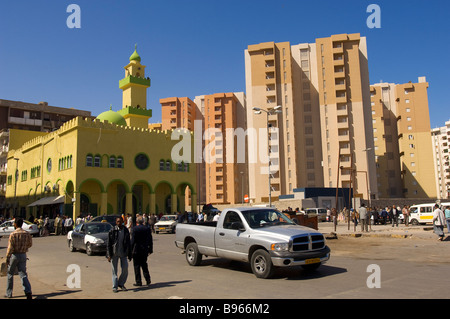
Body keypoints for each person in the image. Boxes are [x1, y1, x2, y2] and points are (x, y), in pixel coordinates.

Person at [5, 218, 33, 299]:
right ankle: (28, 291)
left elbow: (10, 248)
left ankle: (9, 293)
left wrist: (7, 258)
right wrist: (24, 248)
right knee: (23, 274)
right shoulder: (27, 233)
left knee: (10, 274)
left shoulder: (13, 234)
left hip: (14, 255)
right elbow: (30, 244)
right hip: (23, 255)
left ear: (16, 224)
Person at [106, 217, 132, 293]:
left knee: (125, 269)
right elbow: (108, 243)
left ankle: (121, 283)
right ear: (116, 222)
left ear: (123, 222)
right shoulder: (112, 230)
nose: (119, 223)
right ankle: (115, 286)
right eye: (117, 222)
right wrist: (109, 255)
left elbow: (128, 243)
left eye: (120, 222)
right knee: (114, 271)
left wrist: (130, 254)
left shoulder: (125, 230)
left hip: (123, 253)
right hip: (114, 253)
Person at [130, 216, 153, 286]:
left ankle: (138, 281)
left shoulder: (134, 229)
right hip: (144, 250)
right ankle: (148, 279)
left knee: (136, 266)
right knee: (144, 265)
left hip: (136, 250)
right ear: (143, 221)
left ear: (137, 222)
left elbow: (133, 241)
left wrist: (130, 250)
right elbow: (150, 240)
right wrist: (150, 249)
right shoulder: (147, 229)